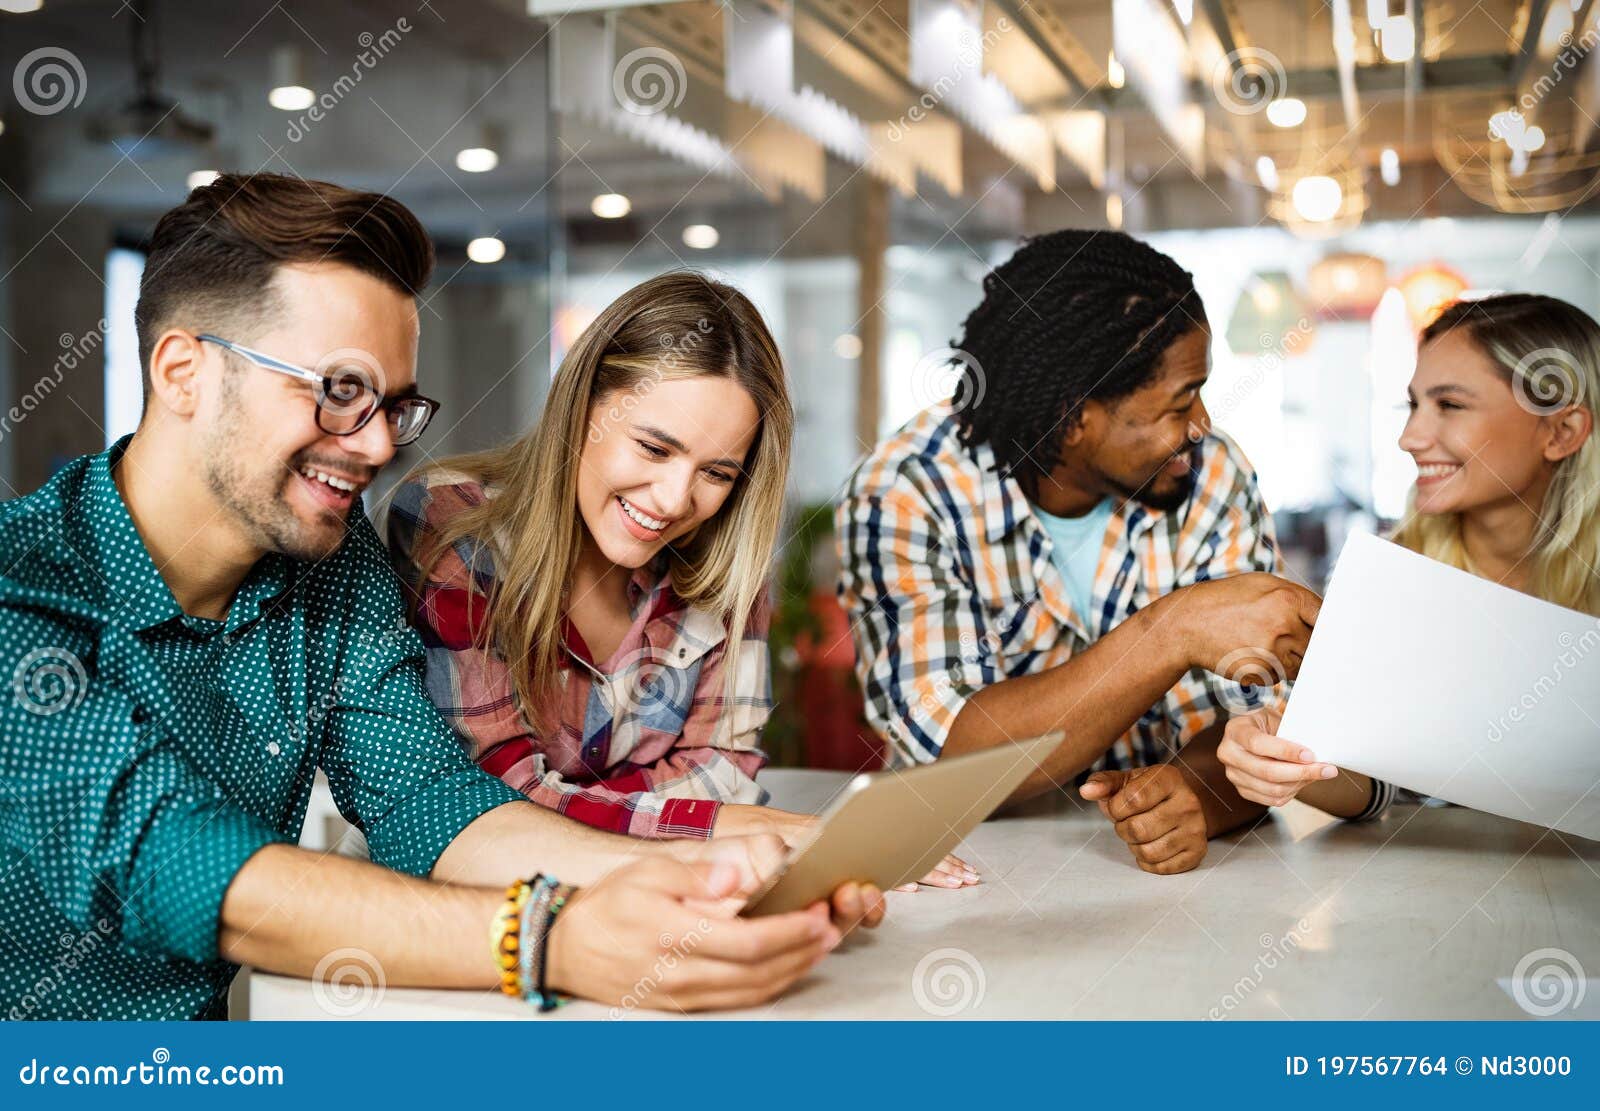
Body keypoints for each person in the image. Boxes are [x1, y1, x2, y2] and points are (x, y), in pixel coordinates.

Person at [0, 173, 886, 1022]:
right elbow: (174, 861)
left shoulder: (329, 562)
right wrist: (552, 936)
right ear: (183, 370)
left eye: (393, 405)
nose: (380, 446)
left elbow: (426, 803)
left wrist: (700, 887)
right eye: (340, 391)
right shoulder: (21, 585)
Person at [386, 271, 974, 890]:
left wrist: (683, 821)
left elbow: (724, 770)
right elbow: (486, 805)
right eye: (654, 448)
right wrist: (717, 826)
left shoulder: (724, 563)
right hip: (455, 921)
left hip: (659, 897)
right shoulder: (451, 522)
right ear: (581, 406)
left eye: (716, 473)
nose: (673, 501)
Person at [837, 229, 1378, 878]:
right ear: (1073, 416)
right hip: (966, 878)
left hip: (1167, 896)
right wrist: (1173, 628)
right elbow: (951, 753)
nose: (1203, 424)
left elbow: (1252, 716)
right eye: (1181, 400)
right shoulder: (908, 489)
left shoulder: (1212, 473)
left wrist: (1197, 796)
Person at [1218, 293, 1599, 810]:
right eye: (1413, 404)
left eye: (1450, 405)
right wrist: (1280, 749)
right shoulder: (1392, 579)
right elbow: (1376, 783)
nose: (1408, 437)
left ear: (1561, 431)